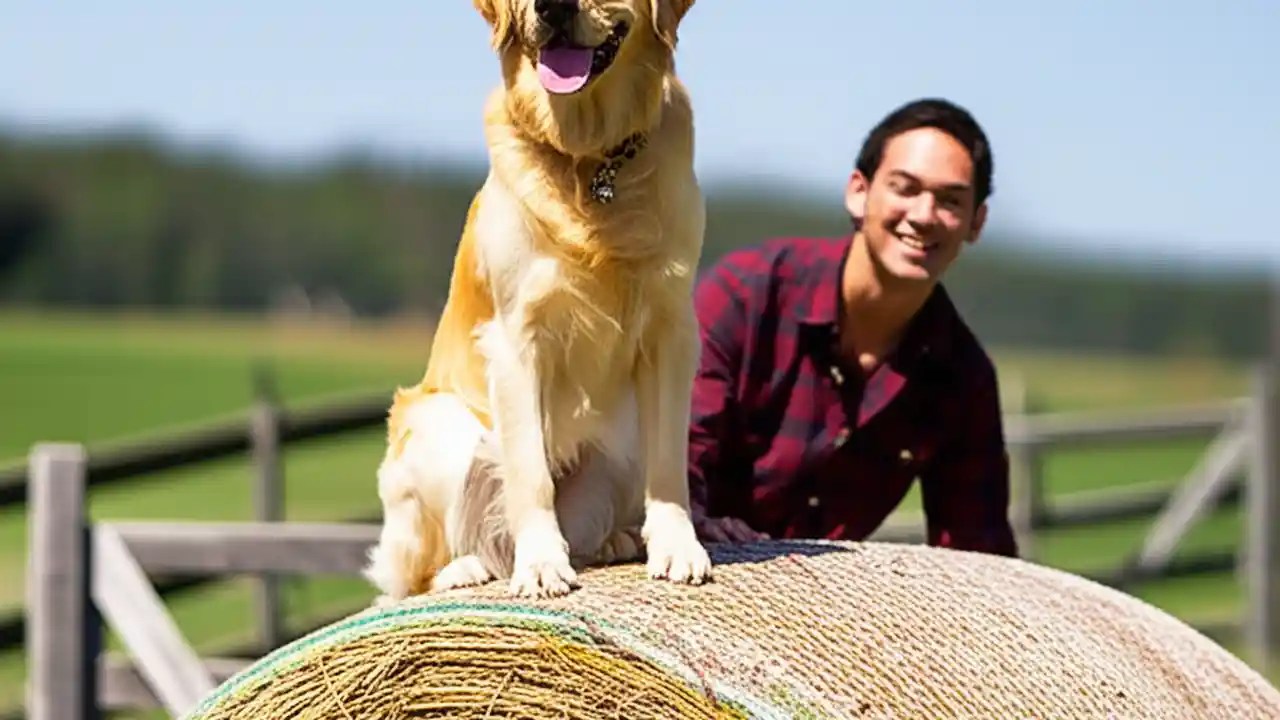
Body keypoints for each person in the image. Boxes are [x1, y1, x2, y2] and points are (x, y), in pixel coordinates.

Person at [687, 97, 1018, 557]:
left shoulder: (963, 377)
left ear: (975, 222)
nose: (923, 215)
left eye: (950, 200)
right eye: (905, 188)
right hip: (689, 569)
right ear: (859, 193)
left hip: (818, 604)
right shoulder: (746, 294)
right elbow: (676, 451)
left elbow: (979, 551)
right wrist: (694, 520)